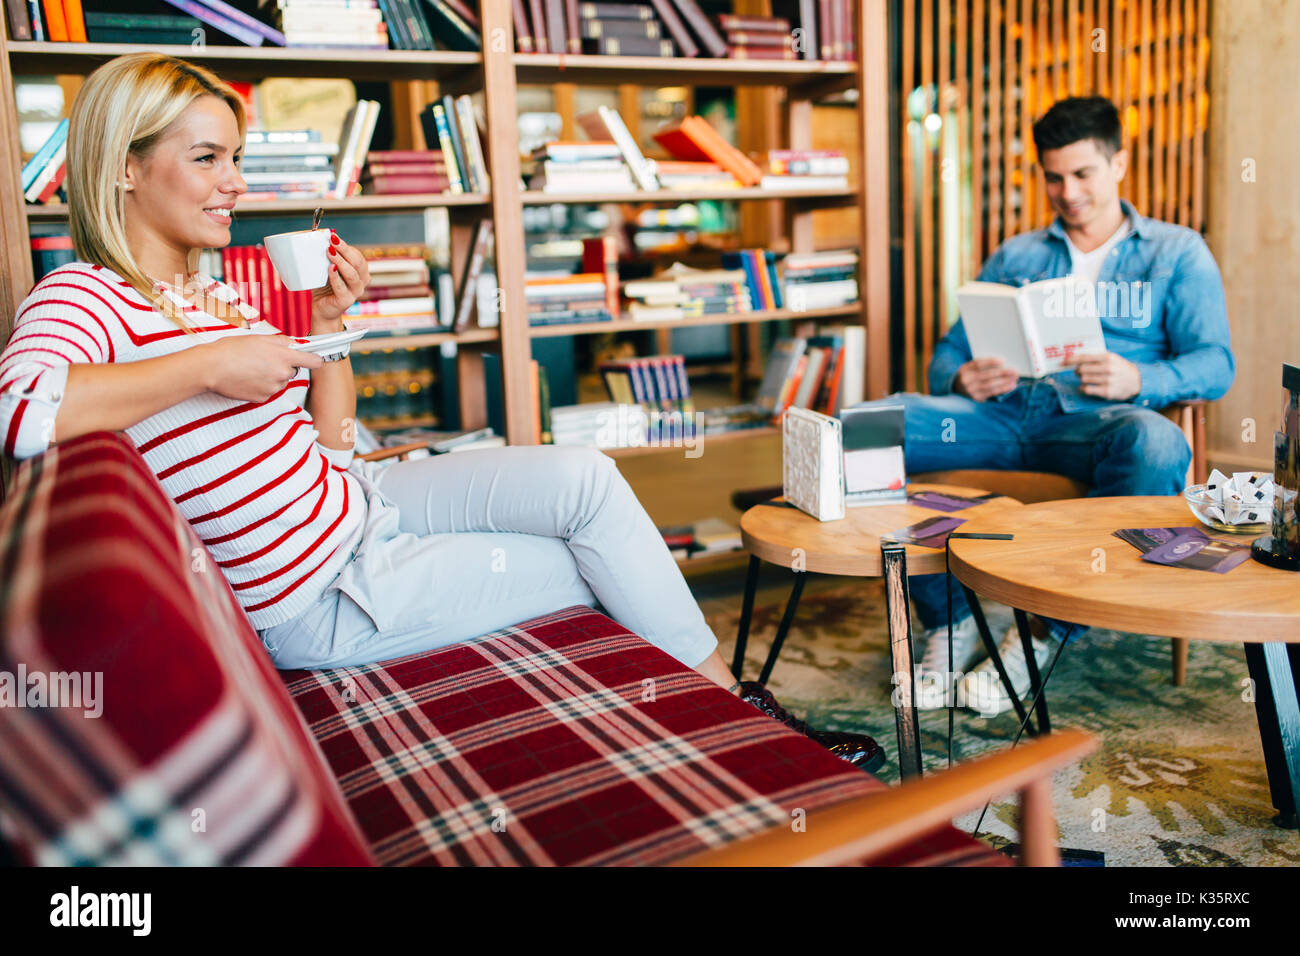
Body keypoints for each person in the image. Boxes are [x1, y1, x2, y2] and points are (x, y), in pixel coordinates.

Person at [0, 53, 884, 771]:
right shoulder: (84, 296)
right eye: (207, 158)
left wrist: (330, 327)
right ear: (122, 166)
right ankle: (746, 737)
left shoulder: (211, 288)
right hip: (324, 595)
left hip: (363, 504)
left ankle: (728, 708)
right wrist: (210, 362)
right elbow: (18, 410)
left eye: (236, 157)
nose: (234, 182)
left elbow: (326, 441)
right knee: (592, 568)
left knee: (588, 482)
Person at [872, 96, 1233, 715]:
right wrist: (962, 376)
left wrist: (1137, 377)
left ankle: (1039, 632)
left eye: (1083, 174)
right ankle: (951, 623)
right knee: (874, 426)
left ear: (1119, 164)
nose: (1068, 193)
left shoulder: (1175, 253)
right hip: (1005, 413)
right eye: (1054, 177)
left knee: (1157, 443)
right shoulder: (1018, 256)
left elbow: (1215, 364)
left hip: (1099, 422)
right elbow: (943, 355)